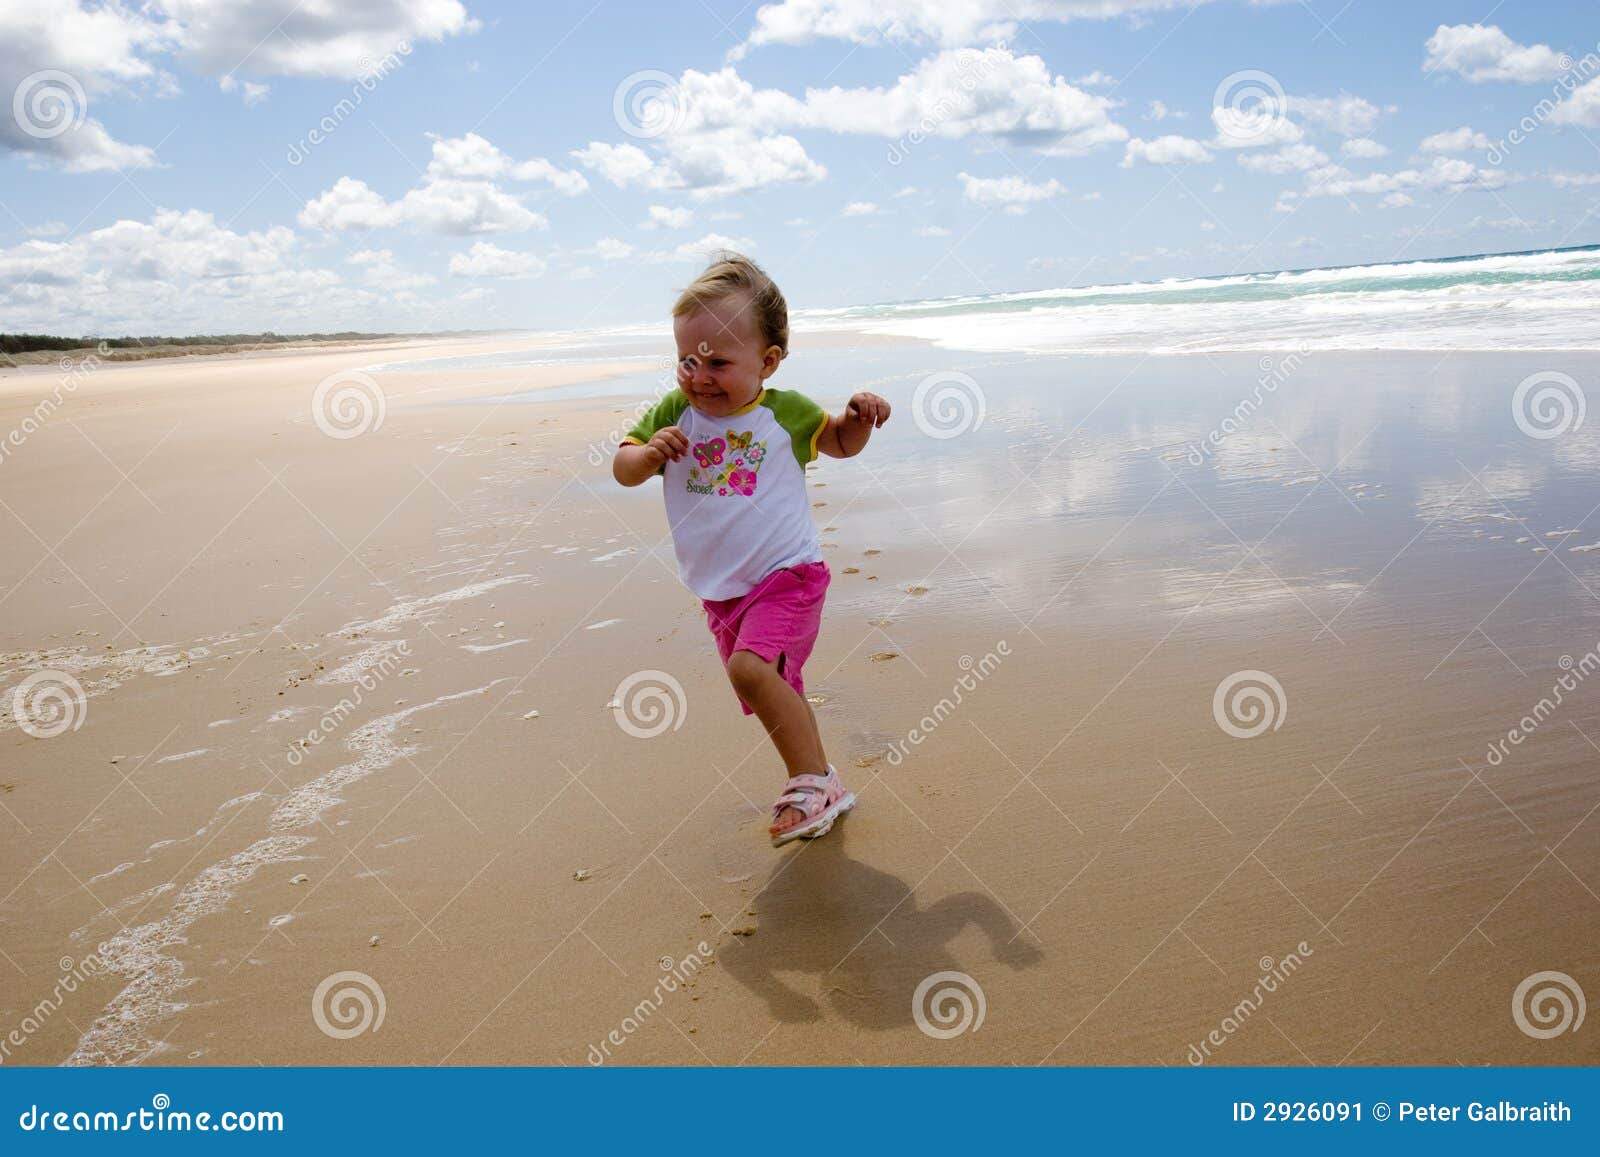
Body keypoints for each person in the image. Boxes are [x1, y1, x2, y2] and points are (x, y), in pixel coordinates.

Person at [613, 252, 890, 846]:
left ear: (767, 361)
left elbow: (840, 443)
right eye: (688, 360)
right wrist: (648, 453)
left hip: (788, 575)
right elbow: (623, 467)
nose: (699, 376)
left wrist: (859, 418)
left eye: (718, 362)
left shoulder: (785, 414)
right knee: (774, 687)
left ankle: (808, 782)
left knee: (750, 670)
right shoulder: (674, 412)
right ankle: (823, 784)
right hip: (722, 590)